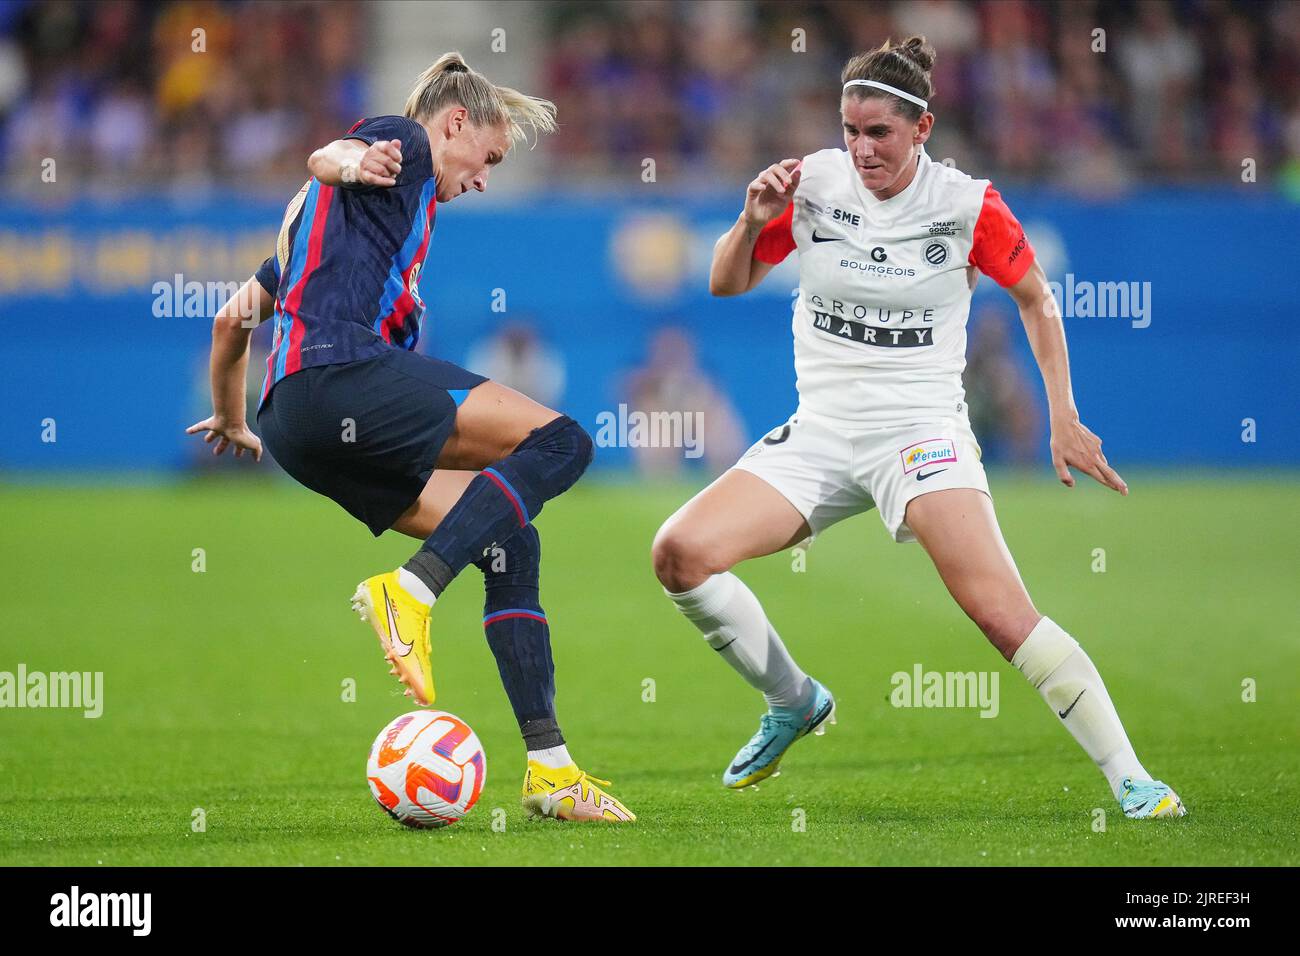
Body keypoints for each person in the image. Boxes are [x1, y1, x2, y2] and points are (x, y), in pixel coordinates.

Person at [652, 37, 1184, 819]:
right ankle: (794, 701)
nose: (861, 149)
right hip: (822, 431)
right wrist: (749, 219)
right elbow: (725, 282)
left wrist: (1063, 414)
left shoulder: (966, 205)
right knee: (679, 554)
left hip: (919, 433)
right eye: (850, 131)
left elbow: (1036, 299)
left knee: (1001, 614)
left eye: (880, 133)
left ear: (922, 127)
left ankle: (1131, 777)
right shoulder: (812, 185)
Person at [186, 52, 633, 823]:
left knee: (509, 542)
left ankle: (552, 774)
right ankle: (412, 590)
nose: (485, 178)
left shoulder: (324, 233)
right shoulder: (407, 147)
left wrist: (231, 417)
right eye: (490, 157)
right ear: (456, 123)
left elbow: (232, 323)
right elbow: (331, 154)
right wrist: (350, 160)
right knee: (565, 444)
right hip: (343, 376)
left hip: (293, 423)